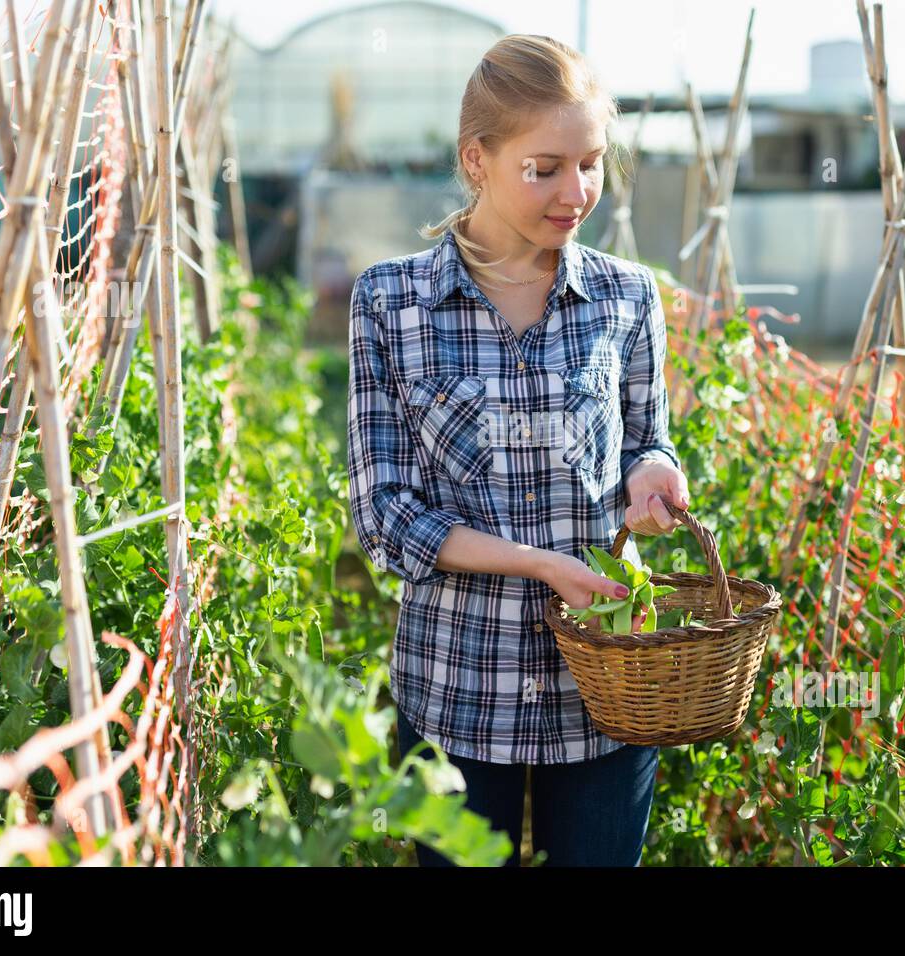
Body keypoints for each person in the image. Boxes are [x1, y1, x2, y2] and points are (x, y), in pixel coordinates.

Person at [346, 34, 689, 867]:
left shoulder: (626, 296)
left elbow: (649, 438)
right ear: (478, 159)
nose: (576, 192)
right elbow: (386, 519)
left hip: (609, 687)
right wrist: (541, 565)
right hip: (460, 686)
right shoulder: (392, 304)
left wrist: (655, 476)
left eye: (592, 163)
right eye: (545, 167)